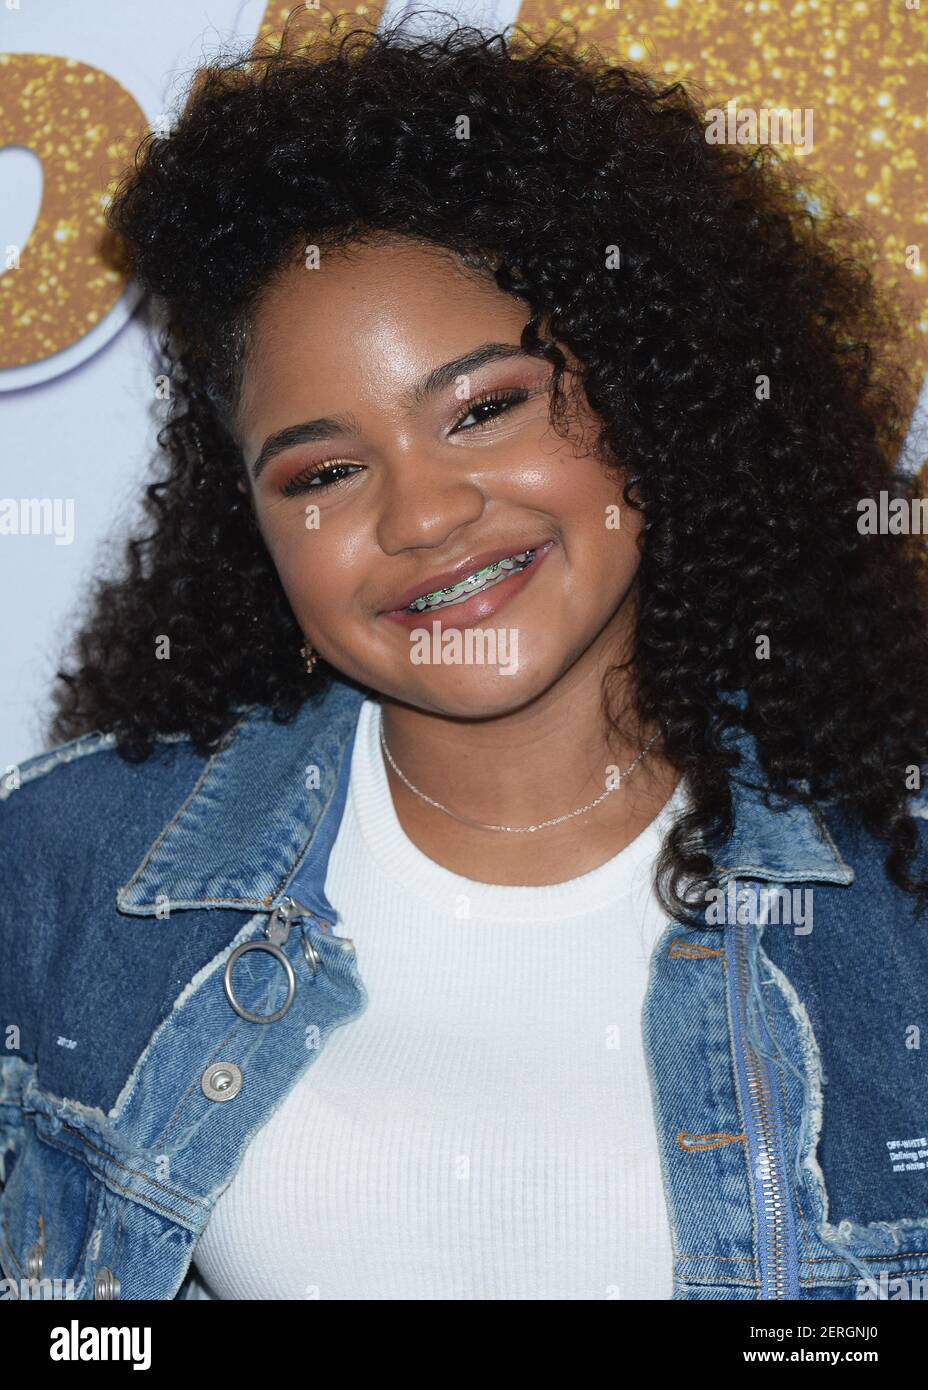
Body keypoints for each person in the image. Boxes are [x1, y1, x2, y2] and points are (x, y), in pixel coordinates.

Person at [2, 14, 928, 1303]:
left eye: (485, 408)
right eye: (324, 471)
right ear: (252, 528)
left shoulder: (903, 899)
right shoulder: (69, 869)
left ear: (647, 399)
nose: (422, 515)